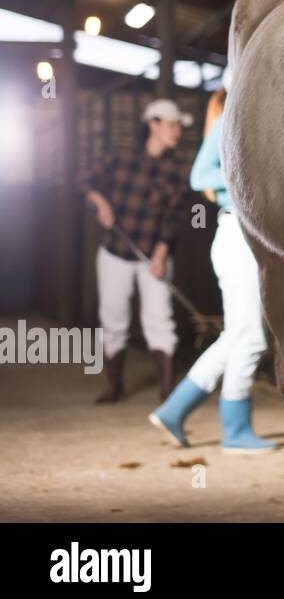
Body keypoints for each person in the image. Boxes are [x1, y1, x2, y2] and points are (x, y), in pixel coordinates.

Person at [149, 70, 275, 454]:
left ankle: (175, 409)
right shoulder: (227, 122)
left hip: (240, 236)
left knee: (235, 334)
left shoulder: (245, 123)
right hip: (237, 234)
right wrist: (244, 188)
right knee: (251, 337)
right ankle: (235, 429)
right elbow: (200, 175)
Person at [81, 98, 193, 403]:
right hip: (115, 252)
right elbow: (86, 180)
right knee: (113, 318)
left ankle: (167, 393)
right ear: (153, 125)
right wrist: (100, 202)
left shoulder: (176, 171)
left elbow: (173, 218)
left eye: (178, 127)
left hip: (152, 257)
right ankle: (114, 386)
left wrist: (159, 255)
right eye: (171, 126)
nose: (177, 132)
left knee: (159, 320)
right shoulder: (121, 156)